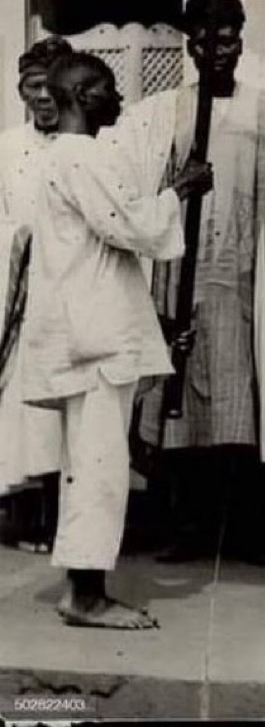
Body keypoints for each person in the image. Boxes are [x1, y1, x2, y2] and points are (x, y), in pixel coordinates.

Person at [19, 53, 211, 629]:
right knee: (100, 466)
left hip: (89, 329)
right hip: (95, 337)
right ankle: (85, 595)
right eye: (104, 89)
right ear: (80, 95)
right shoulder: (83, 158)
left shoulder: (67, 158)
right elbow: (137, 227)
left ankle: (83, 587)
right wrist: (181, 190)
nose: (117, 97)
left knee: (92, 463)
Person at [116, 0, 265, 564]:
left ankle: (243, 527)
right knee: (179, 404)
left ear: (240, 42)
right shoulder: (164, 112)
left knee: (242, 402)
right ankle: (188, 526)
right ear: (190, 46)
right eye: (201, 40)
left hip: (247, 272)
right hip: (181, 269)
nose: (213, 50)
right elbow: (141, 183)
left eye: (224, 39)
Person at [0, 37, 71, 551]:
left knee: (66, 401)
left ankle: (62, 515)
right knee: (23, 405)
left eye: (51, 86)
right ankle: (26, 514)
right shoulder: (7, 148)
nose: (43, 96)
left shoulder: (87, 143)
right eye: (32, 86)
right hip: (21, 290)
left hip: (70, 287)